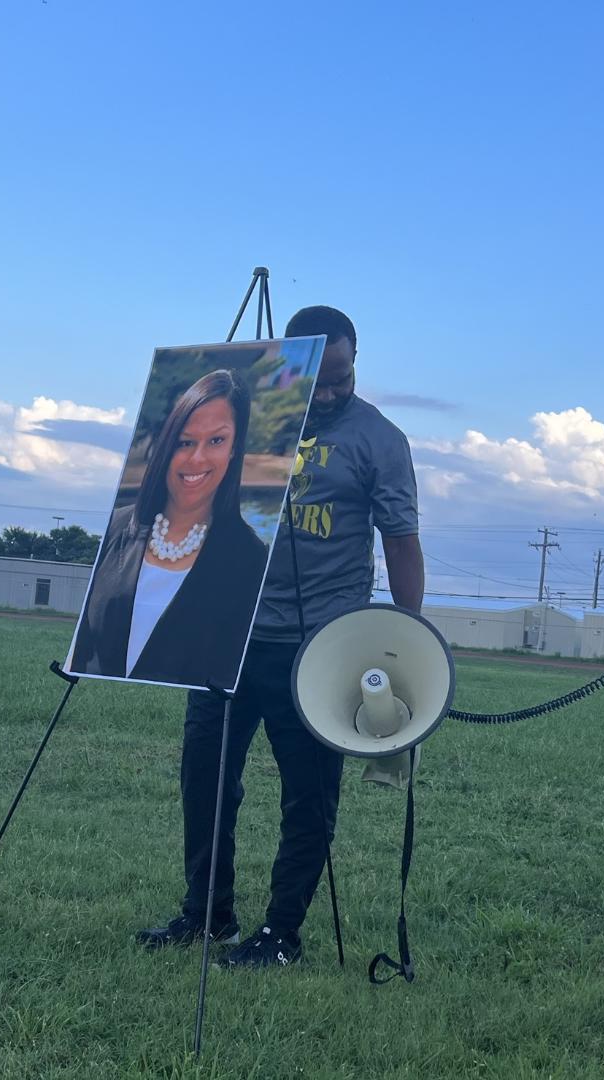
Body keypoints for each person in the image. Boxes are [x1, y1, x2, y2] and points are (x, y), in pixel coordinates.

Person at [137, 305, 426, 968]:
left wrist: (410, 641)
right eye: (316, 380)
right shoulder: (239, 422)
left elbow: (402, 543)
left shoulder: (380, 439)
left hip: (317, 649)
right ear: (285, 366)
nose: (329, 391)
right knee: (206, 778)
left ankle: (280, 933)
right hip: (226, 634)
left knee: (309, 794)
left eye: (342, 377)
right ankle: (205, 915)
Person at [68, 369, 269, 689]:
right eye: (185, 442)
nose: (197, 458)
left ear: (234, 449)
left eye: (216, 440)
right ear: (167, 445)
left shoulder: (250, 557)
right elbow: (85, 646)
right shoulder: (119, 526)